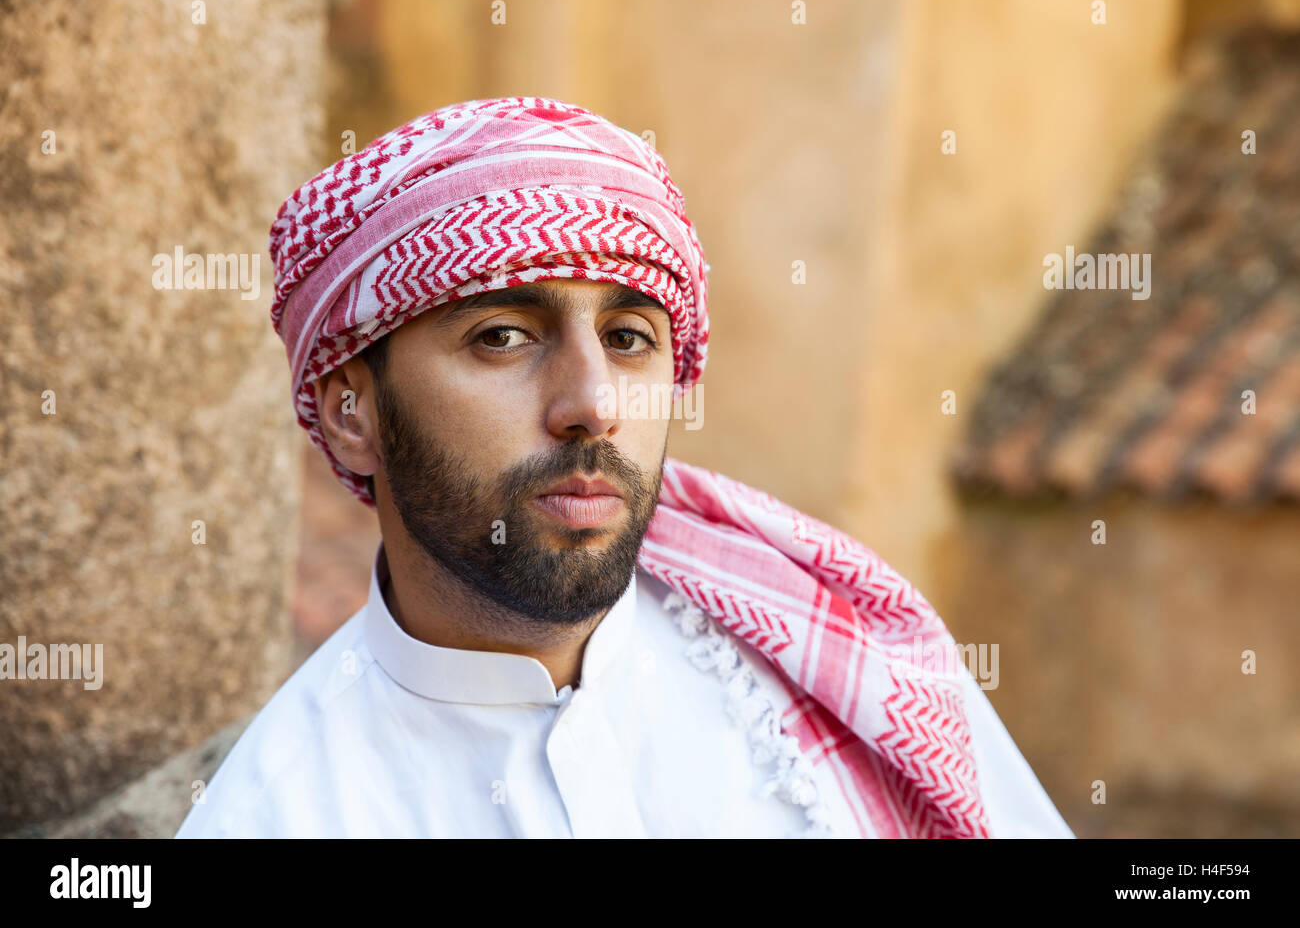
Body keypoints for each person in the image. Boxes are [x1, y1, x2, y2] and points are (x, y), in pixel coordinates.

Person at [175, 96, 1072, 838]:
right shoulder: (279, 814)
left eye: (629, 338)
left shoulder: (838, 660)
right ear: (350, 414)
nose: (595, 404)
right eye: (502, 336)